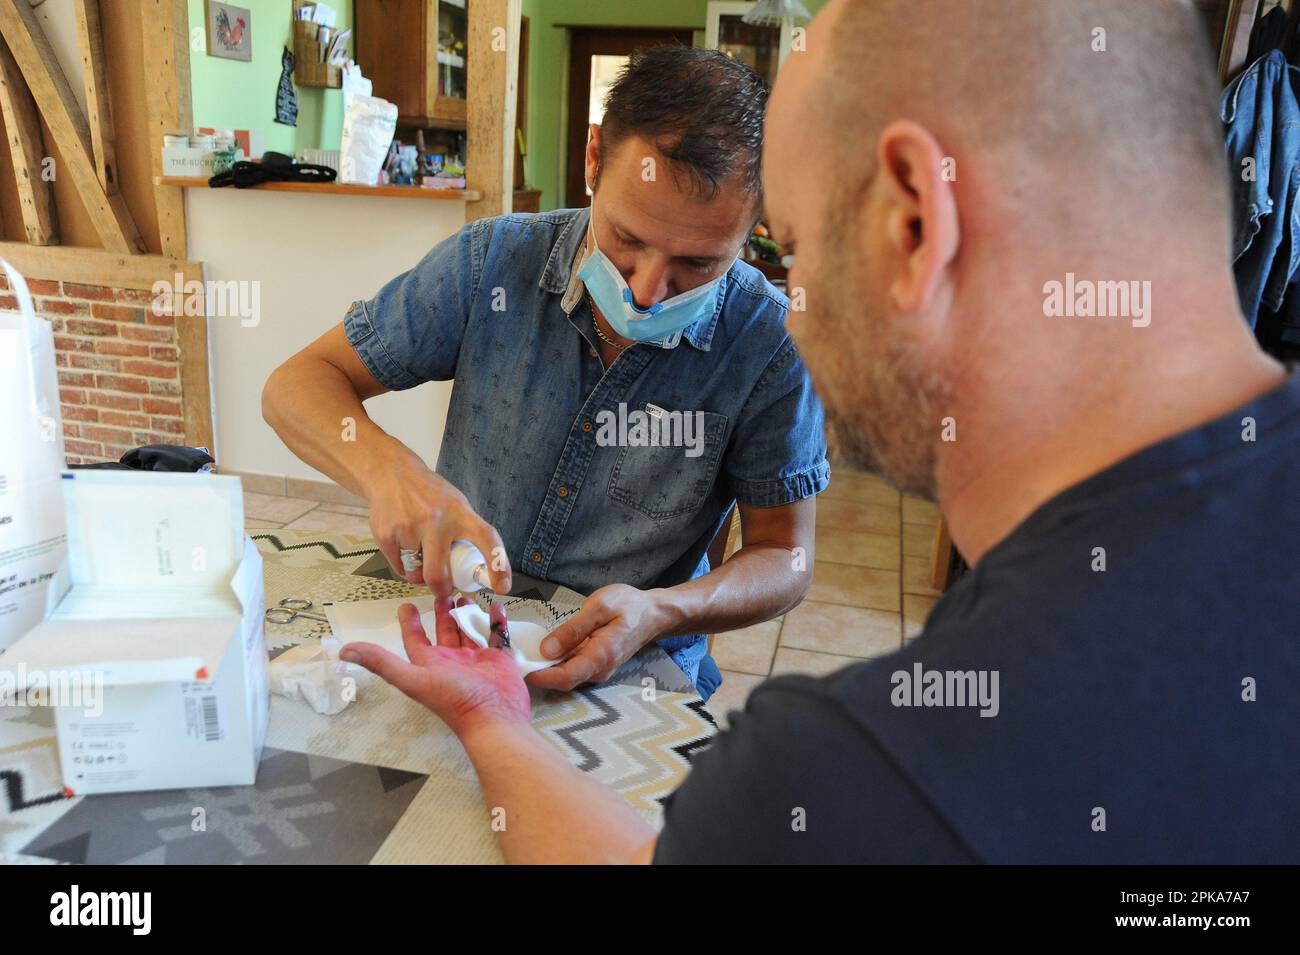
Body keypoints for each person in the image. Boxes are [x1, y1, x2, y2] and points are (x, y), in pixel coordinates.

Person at [343, 0, 1300, 863]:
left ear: (913, 223)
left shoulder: (854, 779)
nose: (791, 311)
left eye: (793, 247)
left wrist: (496, 719)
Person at [263, 47, 829, 702]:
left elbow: (786, 558)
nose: (646, 291)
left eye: (698, 264)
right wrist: (392, 472)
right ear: (593, 159)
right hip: (462, 635)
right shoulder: (492, 265)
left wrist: (666, 610)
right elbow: (297, 383)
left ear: (752, 224)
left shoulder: (769, 344)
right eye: (626, 238)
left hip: (635, 663)